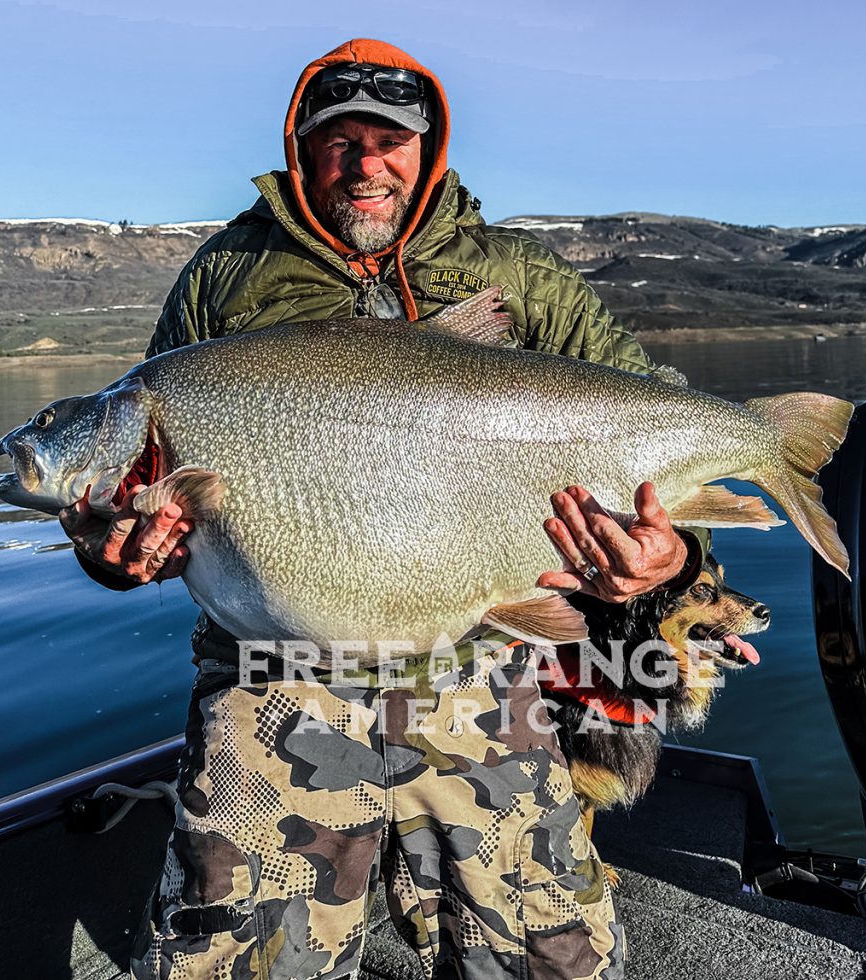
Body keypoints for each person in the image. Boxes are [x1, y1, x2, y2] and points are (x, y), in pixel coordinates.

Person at [61, 38, 703, 980]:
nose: (366, 163)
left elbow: (655, 424)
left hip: (484, 667)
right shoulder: (223, 275)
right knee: (231, 961)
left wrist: (675, 559)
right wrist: (111, 552)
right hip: (271, 670)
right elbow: (129, 494)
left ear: (429, 145)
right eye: (339, 140)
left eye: (390, 139)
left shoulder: (519, 277)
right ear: (301, 146)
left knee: (552, 962)